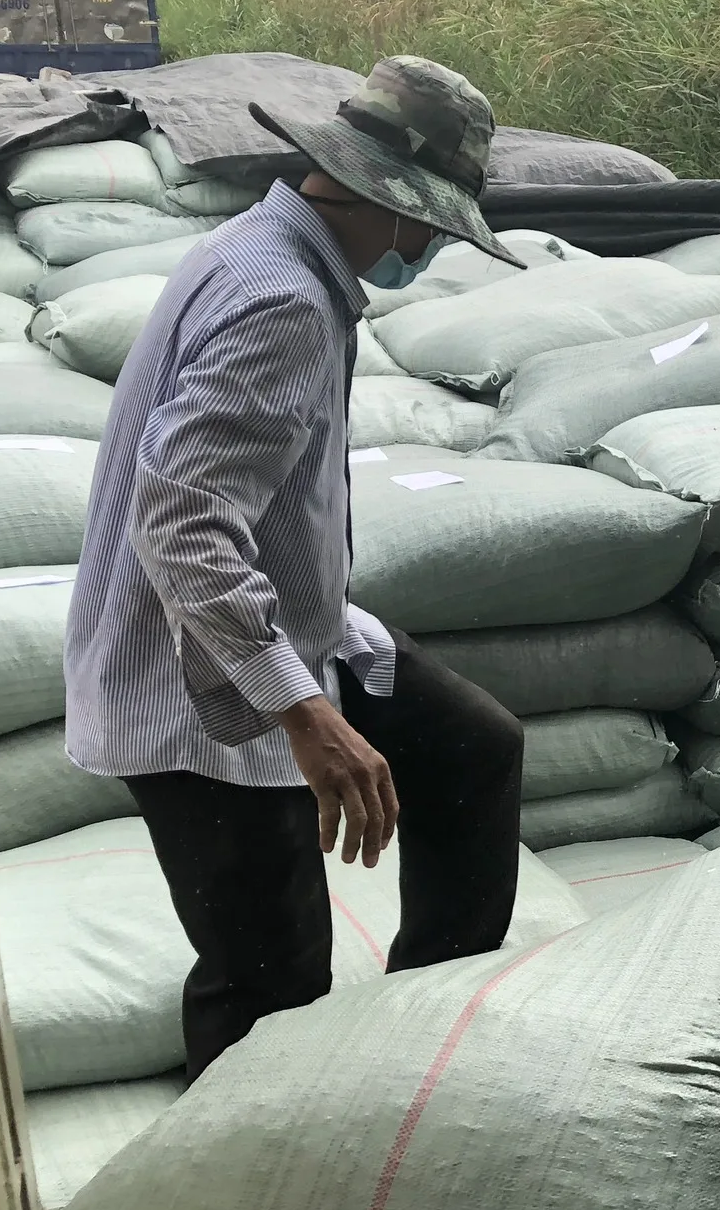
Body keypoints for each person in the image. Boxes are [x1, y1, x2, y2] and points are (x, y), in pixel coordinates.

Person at [63, 55, 528, 1078]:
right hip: (202, 694)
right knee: (267, 986)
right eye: (437, 225)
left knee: (472, 750)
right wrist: (308, 716)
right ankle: (230, 1199)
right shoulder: (281, 299)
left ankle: (420, 1039)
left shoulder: (269, 249)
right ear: (400, 206)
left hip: (293, 635)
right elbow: (182, 520)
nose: (433, 248)